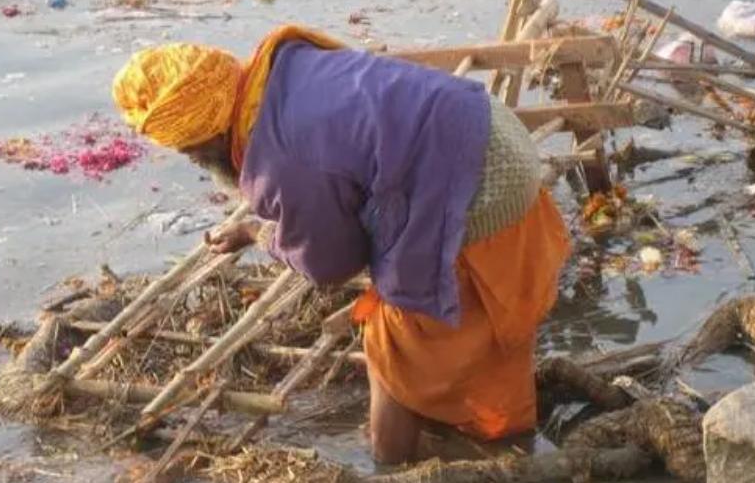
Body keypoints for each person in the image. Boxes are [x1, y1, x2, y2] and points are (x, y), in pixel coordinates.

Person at [112, 24, 571, 464]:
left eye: (192, 153)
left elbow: (331, 262)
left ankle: (389, 462)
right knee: (479, 329)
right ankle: (497, 432)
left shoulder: (280, 159)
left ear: (208, 135)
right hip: (489, 128)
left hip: (477, 189)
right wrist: (258, 228)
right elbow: (342, 161)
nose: (196, 162)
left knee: (394, 346)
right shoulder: (285, 67)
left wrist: (261, 234)